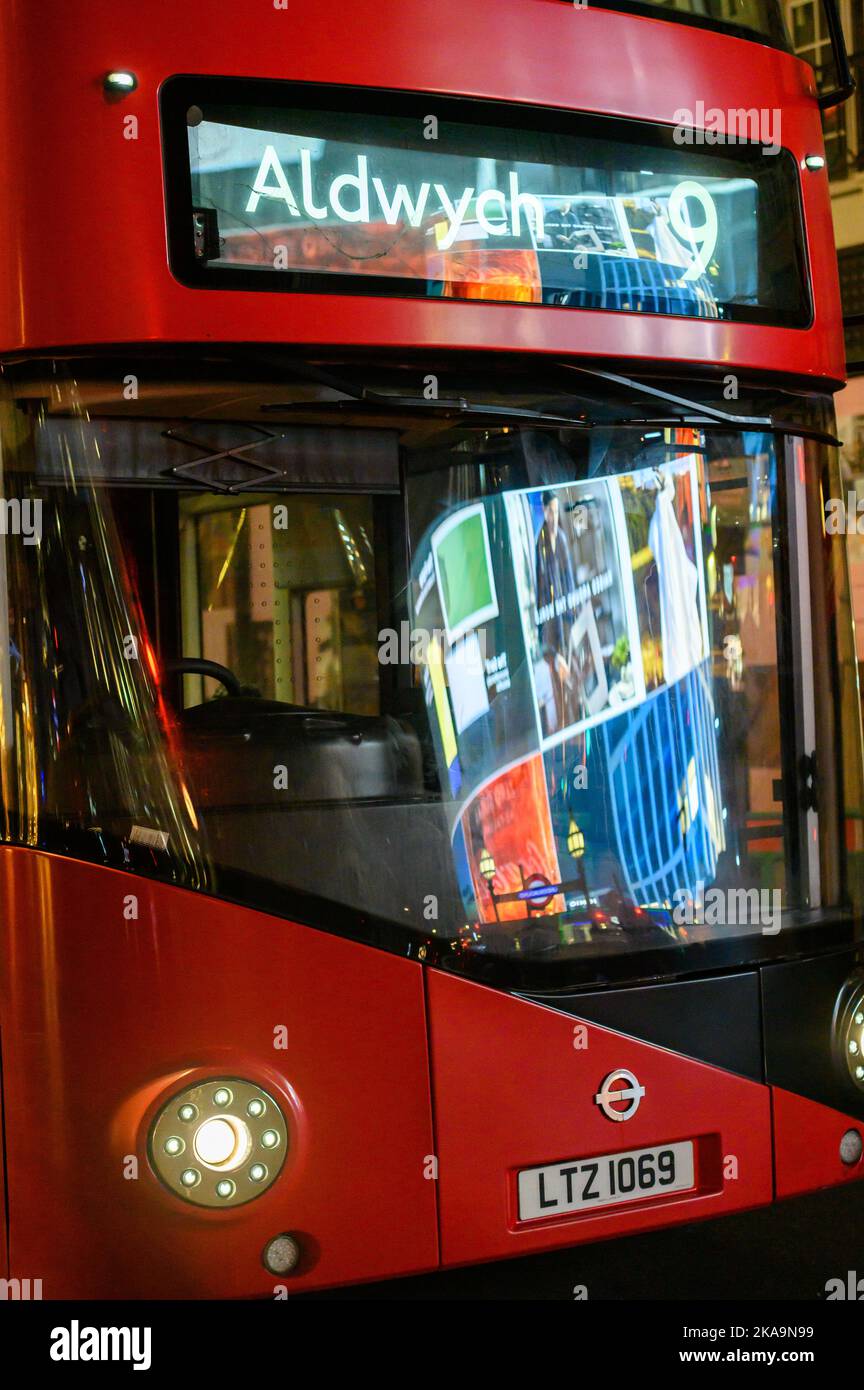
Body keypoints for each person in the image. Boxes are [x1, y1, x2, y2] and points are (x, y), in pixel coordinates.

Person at [535, 491, 576, 731]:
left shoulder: (560, 537)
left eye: (555, 510)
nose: (553, 515)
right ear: (544, 510)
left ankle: (568, 715)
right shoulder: (539, 540)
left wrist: (571, 606)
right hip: (548, 616)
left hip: (563, 612)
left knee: (565, 660)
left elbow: (568, 576)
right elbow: (539, 580)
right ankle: (558, 719)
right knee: (552, 662)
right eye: (549, 510)